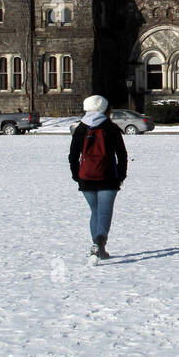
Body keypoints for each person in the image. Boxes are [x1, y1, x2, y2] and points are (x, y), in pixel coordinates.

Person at [69, 95, 129, 259]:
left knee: (95, 211)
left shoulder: (80, 129)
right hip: (108, 177)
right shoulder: (111, 127)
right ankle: (100, 243)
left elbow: (73, 156)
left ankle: (96, 244)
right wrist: (121, 175)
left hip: (86, 177)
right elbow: (122, 155)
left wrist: (77, 175)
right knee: (104, 212)